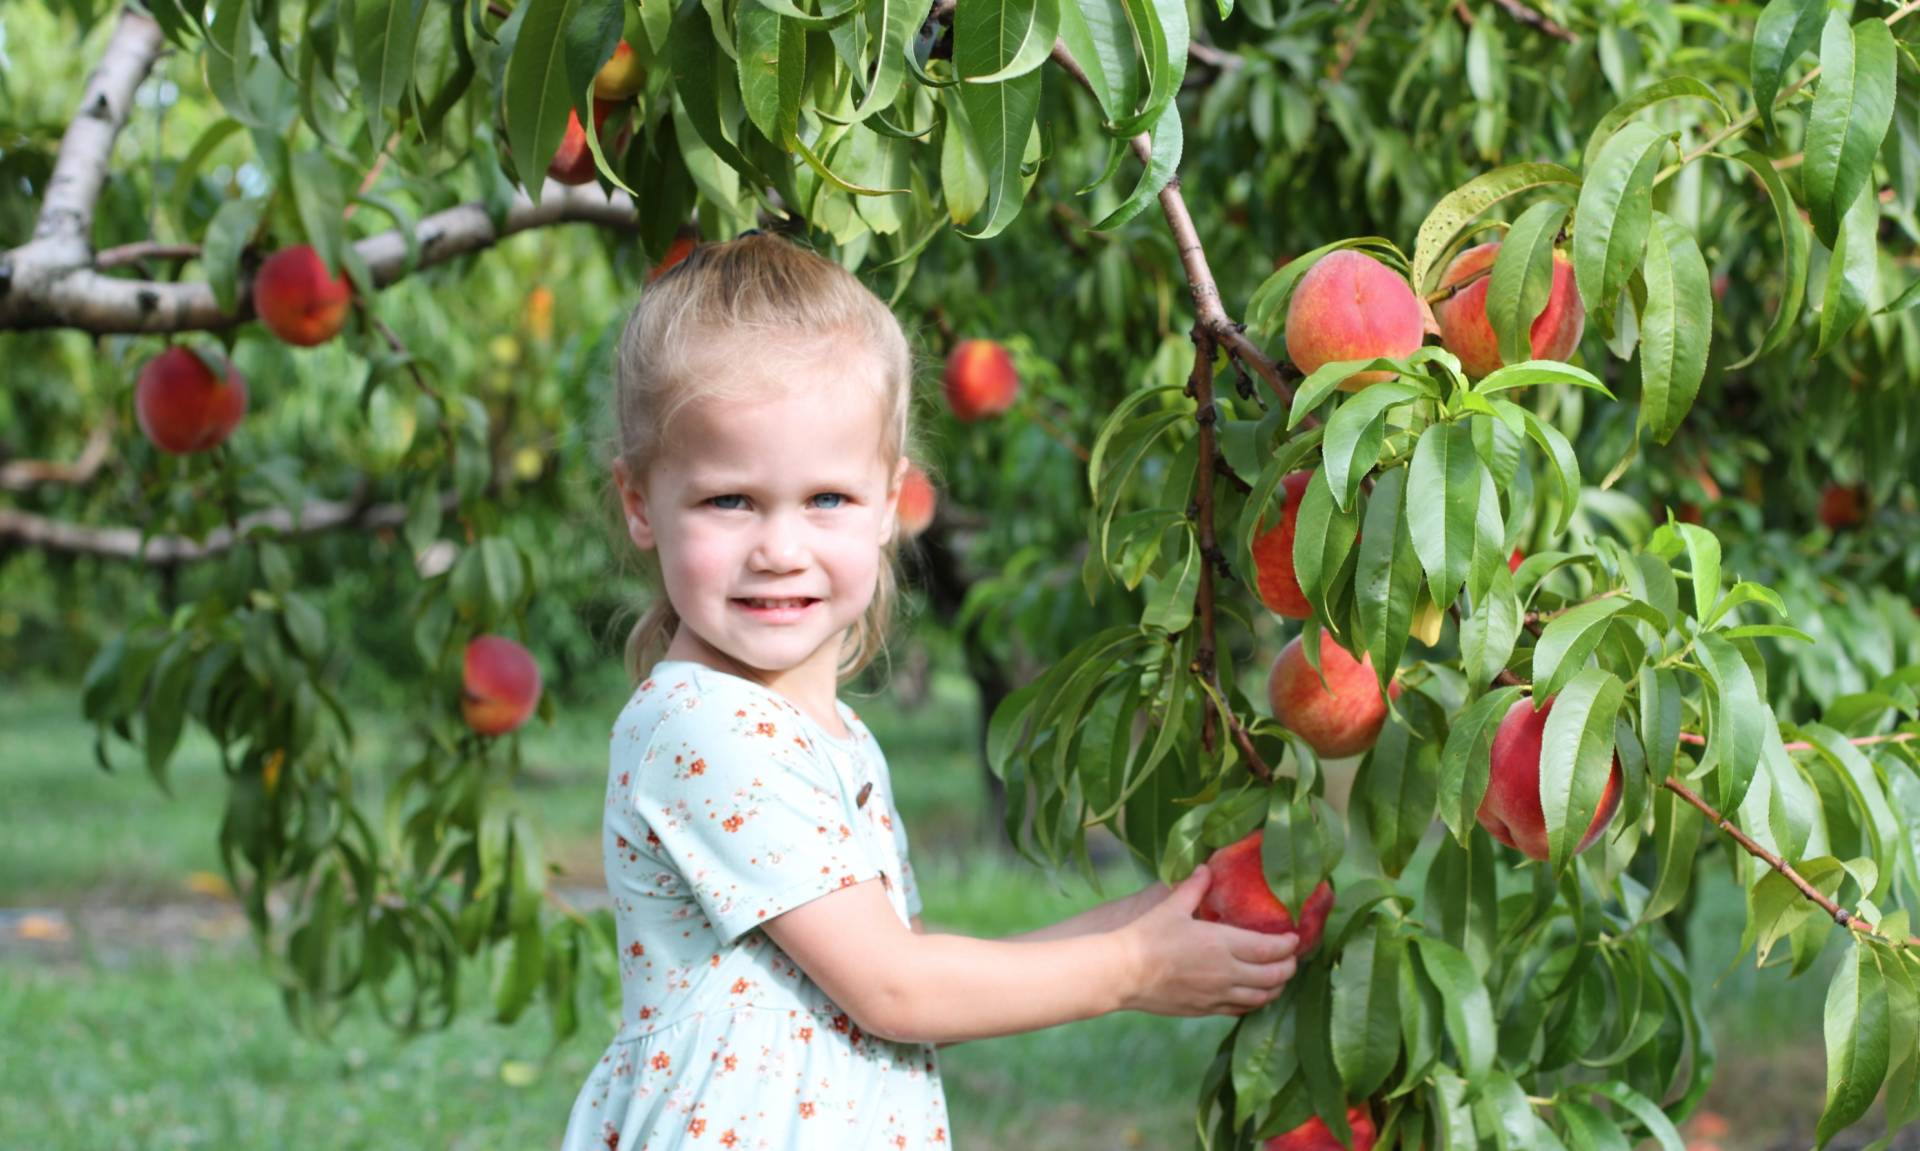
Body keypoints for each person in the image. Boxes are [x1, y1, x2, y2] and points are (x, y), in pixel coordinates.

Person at [562, 233, 1301, 1150]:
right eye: (729, 501)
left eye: (826, 498)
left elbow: (902, 980)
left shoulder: (830, 737)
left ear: (888, 501)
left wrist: (1136, 922)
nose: (779, 547)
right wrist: (1128, 968)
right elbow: (895, 989)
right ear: (639, 503)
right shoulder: (703, 726)